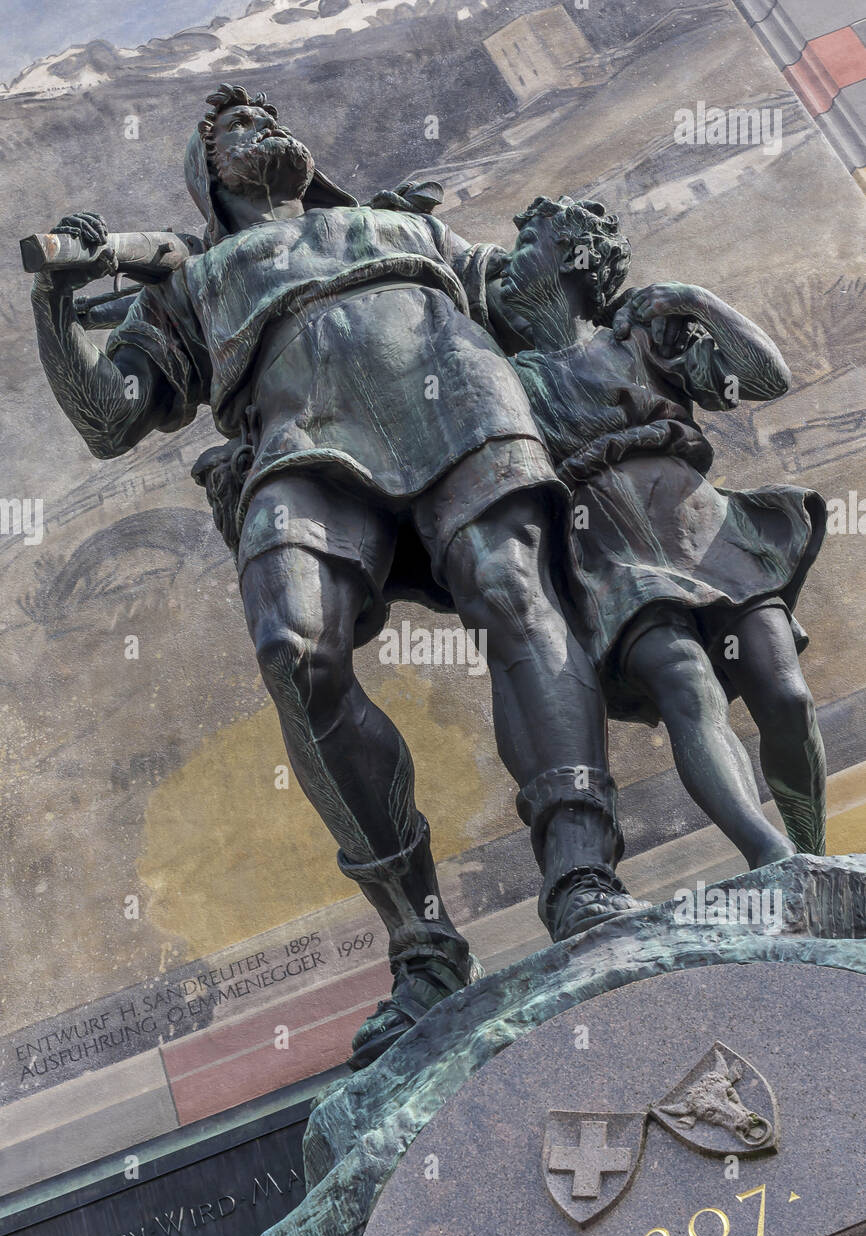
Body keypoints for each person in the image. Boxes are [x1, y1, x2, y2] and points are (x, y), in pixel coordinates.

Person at [28, 89, 643, 1070]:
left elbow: (532, 308)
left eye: (269, 119)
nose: (262, 129)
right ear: (206, 176)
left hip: (460, 410)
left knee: (510, 588)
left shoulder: (400, 222)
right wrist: (55, 310)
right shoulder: (193, 279)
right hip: (302, 450)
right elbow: (112, 417)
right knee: (292, 647)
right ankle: (422, 941)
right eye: (234, 129)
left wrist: (572, 251)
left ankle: (580, 872)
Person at [488, 194, 826, 868]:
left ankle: (814, 851)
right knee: (687, 687)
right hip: (611, 561)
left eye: (527, 245)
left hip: (708, 534)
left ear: (572, 256)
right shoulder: (502, 380)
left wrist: (691, 299)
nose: (507, 264)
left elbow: (768, 377)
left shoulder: (636, 340)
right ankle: (772, 858)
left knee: (784, 694)